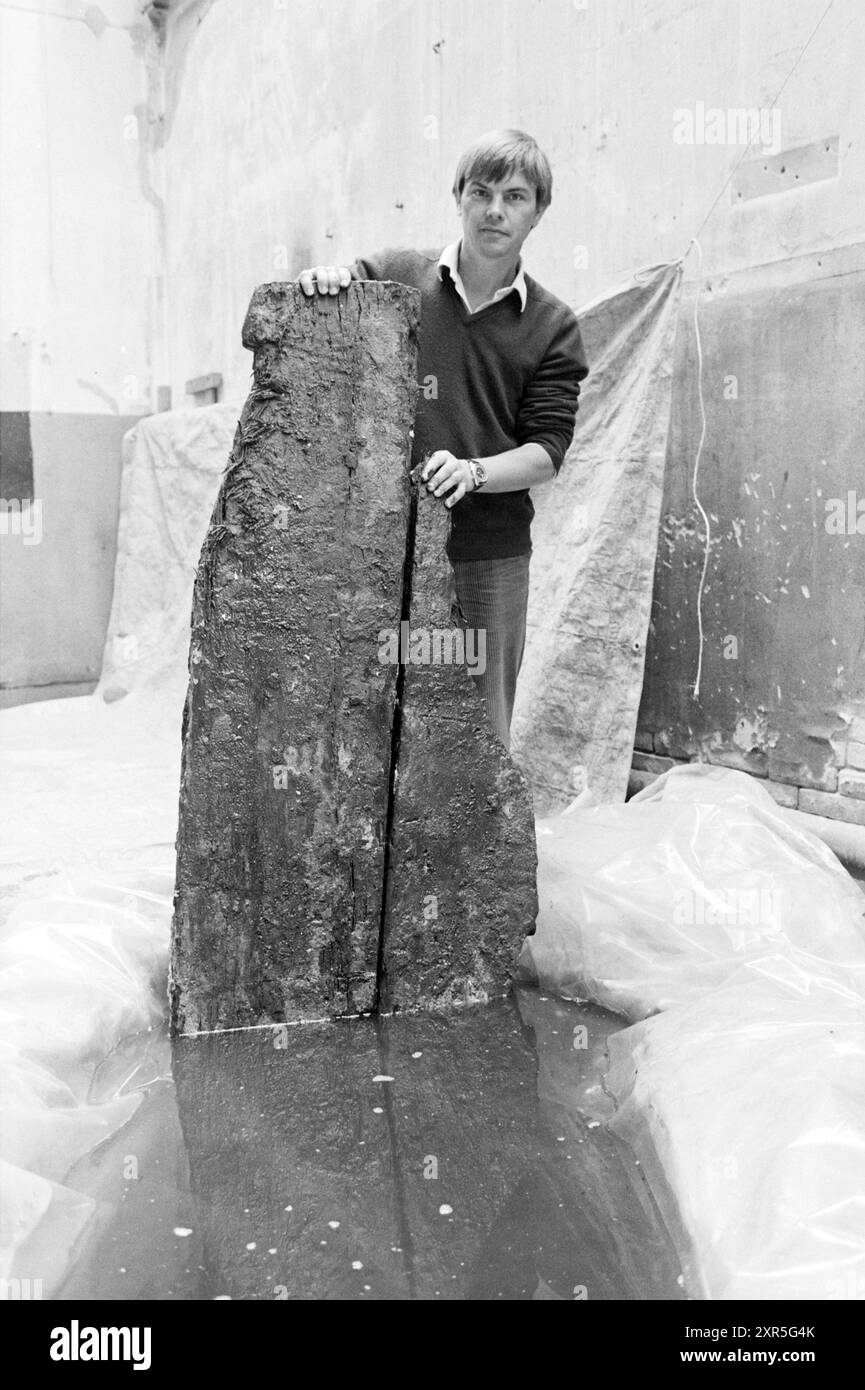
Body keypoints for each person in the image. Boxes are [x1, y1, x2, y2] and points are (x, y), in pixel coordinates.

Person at [298, 128, 589, 752]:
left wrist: (474, 471)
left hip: (488, 555)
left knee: (479, 728)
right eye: (481, 192)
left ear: (538, 211)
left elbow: (547, 450)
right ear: (457, 196)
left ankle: (476, 850)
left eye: (515, 197)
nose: (494, 210)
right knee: (379, 713)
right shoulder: (396, 275)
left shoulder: (552, 325)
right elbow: (337, 292)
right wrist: (327, 281)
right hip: (383, 552)